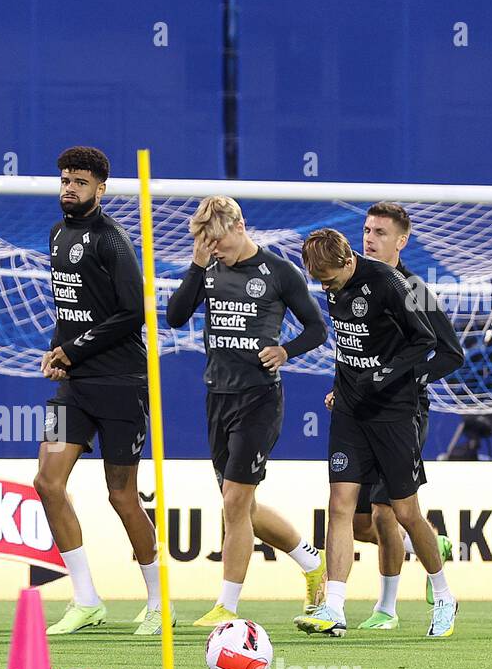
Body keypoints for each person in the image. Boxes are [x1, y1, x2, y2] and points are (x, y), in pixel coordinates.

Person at [164, 195, 328, 625]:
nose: (213, 248)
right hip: (218, 396)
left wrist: (286, 351)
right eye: (206, 243)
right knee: (242, 505)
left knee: (235, 501)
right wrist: (197, 266)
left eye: (216, 241)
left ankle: (227, 606)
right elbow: (176, 317)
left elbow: (316, 328)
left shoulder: (278, 272)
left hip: (259, 398)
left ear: (240, 226)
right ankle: (312, 563)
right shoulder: (208, 267)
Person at [296, 228, 458, 638]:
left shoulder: (389, 282)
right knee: (340, 505)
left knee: (405, 512)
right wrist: (343, 385)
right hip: (351, 411)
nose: (325, 286)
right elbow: (348, 345)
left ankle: (443, 596)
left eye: (330, 278)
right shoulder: (332, 283)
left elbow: (426, 339)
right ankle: (333, 607)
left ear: (348, 260)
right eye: (320, 281)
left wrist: (386, 375)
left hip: (393, 413)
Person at [34, 146, 163, 636]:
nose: (70, 188)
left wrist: (75, 349)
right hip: (76, 387)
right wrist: (56, 350)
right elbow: (70, 309)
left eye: (81, 182)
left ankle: (156, 602)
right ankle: (86, 599)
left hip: (121, 384)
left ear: (101, 189)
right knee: (47, 483)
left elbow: (133, 314)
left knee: (122, 496)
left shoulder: (113, 242)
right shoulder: (56, 232)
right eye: (65, 179)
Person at [345, 201, 464, 629]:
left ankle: (388, 608)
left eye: (380, 232)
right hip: (359, 412)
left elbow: (452, 352)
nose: (369, 239)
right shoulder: (352, 283)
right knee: (361, 522)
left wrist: (413, 379)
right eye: (367, 230)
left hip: (403, 413)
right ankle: (430, 546)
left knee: (386, 513)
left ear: (401, 241)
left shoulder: (412, 289)